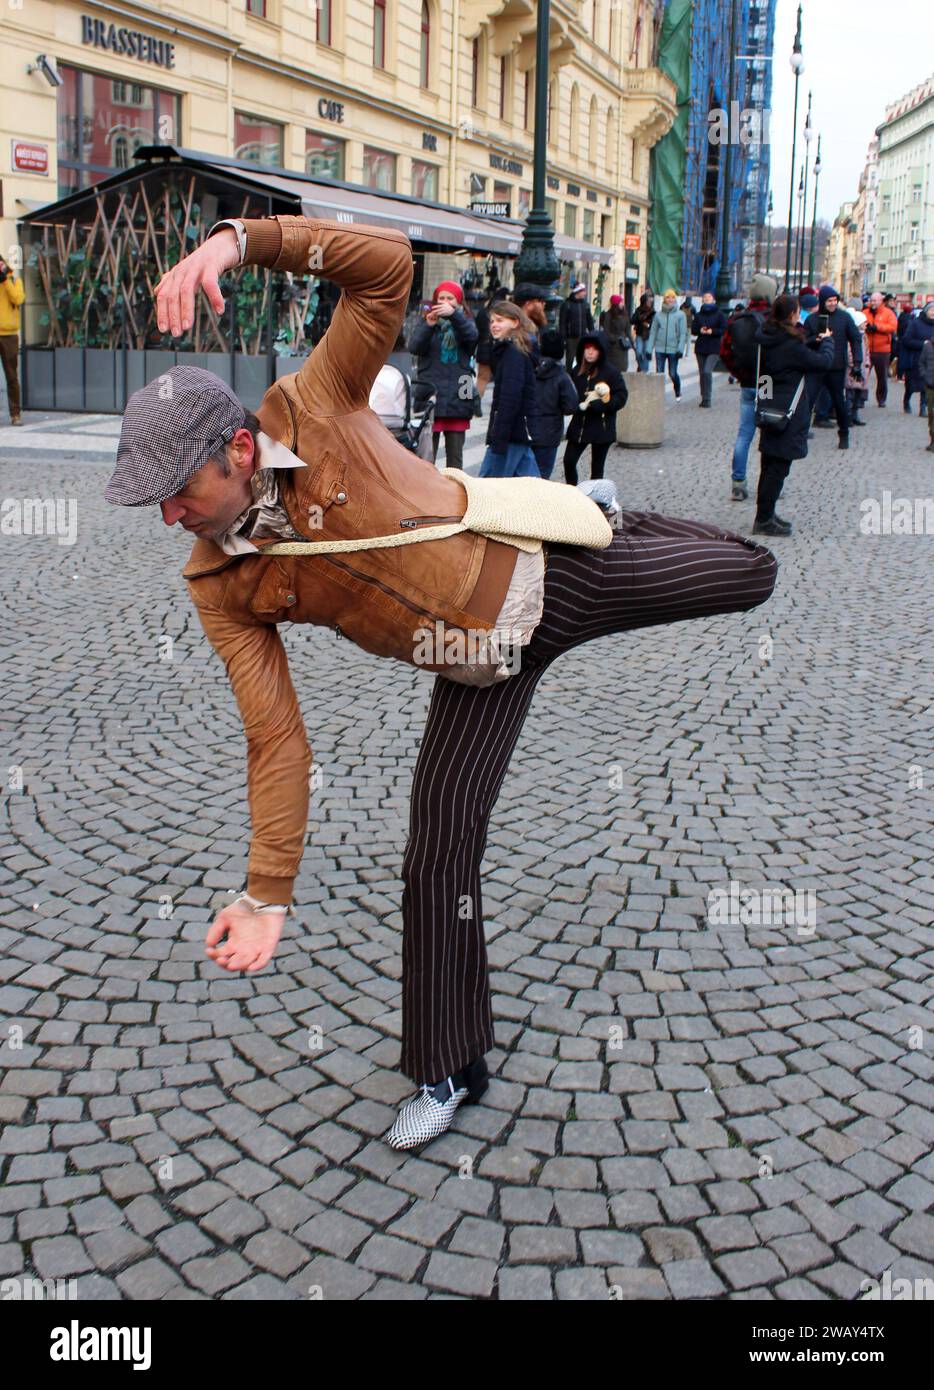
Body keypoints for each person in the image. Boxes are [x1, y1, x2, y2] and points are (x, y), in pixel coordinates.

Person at [109, 213, 778, 1152]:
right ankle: (446, 1065)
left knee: (754, 575)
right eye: (155, 499)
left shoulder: (318, 401)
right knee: (435, 854)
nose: (169, 513)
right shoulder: (219, 580)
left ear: (240, 450)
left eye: (178, 488)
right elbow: (276, 737)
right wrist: (266, 894)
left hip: (552, 577)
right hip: (472, 668)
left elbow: (383, 270)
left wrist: (235, 241)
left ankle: (608, 513)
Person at [752, 293, 834, 537]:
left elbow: (771, 371)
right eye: (798, 311)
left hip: (771, 409)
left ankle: (766, 514)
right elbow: (823, 362)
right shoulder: (790, 344)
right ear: (791, 315)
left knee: (769, 466)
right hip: (787, 411)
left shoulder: (767, 337)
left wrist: (765, 397)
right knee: (777, 469)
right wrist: (827, 341)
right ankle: (764, 520)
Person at [406, 280, 478, 470]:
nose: (445, 302)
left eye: (450, 298)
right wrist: (428, 325)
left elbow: (472, 338)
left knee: (455, 460)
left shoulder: (466, 322)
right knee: (426, 457)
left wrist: (455, 316)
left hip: (458, 396)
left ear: (459, 302)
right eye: (441, 298)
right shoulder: (428, 321)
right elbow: (414, 347)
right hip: (431, 395)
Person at [718, 273, 777, 499]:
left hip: (747, 382)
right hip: (768, 382)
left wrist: (739, 374)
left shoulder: (737, 319)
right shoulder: (774, 319)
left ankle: (738, 482)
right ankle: (769, 482)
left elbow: (725, 353)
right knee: (770, 433)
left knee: (744, 434)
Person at [479, 299, 540, 477]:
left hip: (511, 432)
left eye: (499, 320)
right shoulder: (512, 350)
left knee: (488, 488)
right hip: (516, 430)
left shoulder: (513, 353)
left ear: (515, 322)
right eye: (492, 321)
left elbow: (510, 397)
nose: (494, 325)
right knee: (531, 484)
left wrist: (499, 437)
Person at [562, 329, 628, 484]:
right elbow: (569, 392)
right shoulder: (577, 371)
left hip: (601, 425)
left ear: (601, 351)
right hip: (580, 424)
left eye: (594, 349)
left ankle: (596, 501)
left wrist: (603, 404)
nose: (590, 352)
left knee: (597, 470)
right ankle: (573, 493)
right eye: (587, 348)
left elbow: (621, 397)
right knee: (569, 461)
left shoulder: (611, 372)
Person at [803, 285, 862, 450]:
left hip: (836, 366)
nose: (833, 303)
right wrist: (815, 339)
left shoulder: (844, 318)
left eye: (835, 300)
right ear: (822, 301)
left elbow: (855, 339)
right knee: (808, 402)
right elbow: (804, 341)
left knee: (839, 402)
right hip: (816, 365)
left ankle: (844, 434)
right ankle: (800, 434)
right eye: (829, 301)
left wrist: (857, 363)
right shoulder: (813, 319)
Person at [530, 327, 579, 479]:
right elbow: (571, 406)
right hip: (550, 432)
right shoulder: (561, 376)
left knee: (525, 476)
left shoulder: (530, 369)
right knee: (543, 475)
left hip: (528, 429)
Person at [647, 288, 687, 399]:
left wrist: (680, 349)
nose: (670, 299)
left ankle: (677, 390)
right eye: (668, 297)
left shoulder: (680, 315)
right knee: (659, 374)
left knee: (673, 373)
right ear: (664, 299)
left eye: (672, 297)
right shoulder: (658, 315)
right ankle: (659, 396)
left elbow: (683, 333)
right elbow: (653, 332)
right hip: (660, 348)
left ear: (675, 299)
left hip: (673, 349)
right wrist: (649, 349)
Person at [0, 254, 25, 426]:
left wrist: (4, 281)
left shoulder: (14, 279)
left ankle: (15, 414)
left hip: (8, 334)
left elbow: (18, 298)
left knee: (11, 377)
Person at [862, 291, 898, 407]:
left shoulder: (888, 313)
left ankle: (881, 399)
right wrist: (866, 328)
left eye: (875, 300)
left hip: (882, 350)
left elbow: (892, 327)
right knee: (863, 374)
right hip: (867, 349)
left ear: (880, 301)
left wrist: (877, 327)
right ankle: (861, 398)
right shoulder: (865, 312)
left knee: (882, 377)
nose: (872, 303)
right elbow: (859, 323)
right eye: (871, 300)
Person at [692, 291, 727, 407]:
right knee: (702, 373)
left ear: (713, 300)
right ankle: (704, 396)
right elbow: (693, 329)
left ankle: (707, 398)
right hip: (701, 347)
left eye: (709, 297)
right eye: (705, 297)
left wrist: (713, 331)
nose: (707, 298)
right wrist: (700, 330)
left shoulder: (720, 314)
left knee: (707, 371)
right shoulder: (698, 315)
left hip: (714, 347)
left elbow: (724, 329)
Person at [899, 302, 934, 417]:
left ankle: (923, 407)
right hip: (915, 359)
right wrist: (923, 344)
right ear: (925, 311)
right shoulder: (915, 323)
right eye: (931, 310)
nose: (933, 312)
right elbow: (906, 340)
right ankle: (906, 401)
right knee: (911, 385)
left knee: (927, 384)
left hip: (930, 361)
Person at [844, 300, 870, 427]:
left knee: (858, 396)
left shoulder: (864, 337)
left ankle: (855, 415)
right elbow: (849, 353)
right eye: (864, 323)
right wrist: (854, 364)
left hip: (862, 369)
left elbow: (867, 352)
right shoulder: (852, 337)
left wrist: (867, 363)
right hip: (852, 370)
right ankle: (848, 417)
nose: (866, 325)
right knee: (850, 395)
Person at [559, 282, 594, 371]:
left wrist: (592, 333)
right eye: (583, 291)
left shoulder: (585, 305)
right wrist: (563, 338)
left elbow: (589, 321)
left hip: (583, 336)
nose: (585, 293)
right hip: (571, 338)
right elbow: (562, 322)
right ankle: (570, 376)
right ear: (578, 292)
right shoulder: (567, 305)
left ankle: (581, 376)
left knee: (583, 358)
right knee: (570, 359)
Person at [599, 293, 634, 373]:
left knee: (623, 368)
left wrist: (631, 342)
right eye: (621, 302)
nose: (623, 304)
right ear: (616, 304)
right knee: (613, 369)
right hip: (613, 347)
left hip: (623, 346)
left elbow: (628, 330)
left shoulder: (625, 315)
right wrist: (614, 339)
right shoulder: (608, 315)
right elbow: (606, 331)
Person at [632, 291, 655, 372]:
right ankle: (641, 366)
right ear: (644, 301)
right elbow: (632, 320)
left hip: (648, 335)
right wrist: (640, 319)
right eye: (648, 301)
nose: (650, 303)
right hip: (639, 334)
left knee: (646, 353)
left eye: (651, 302)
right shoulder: (638, 310)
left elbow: (654, 324)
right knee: (638, 353)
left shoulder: (653, 311)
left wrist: (648, 325)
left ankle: (644, 370)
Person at [920, 335, 934, 452]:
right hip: (930, 385)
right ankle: (933, 440)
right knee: (931, 414)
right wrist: (925, 376)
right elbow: (921, 363)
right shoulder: (928, 346)